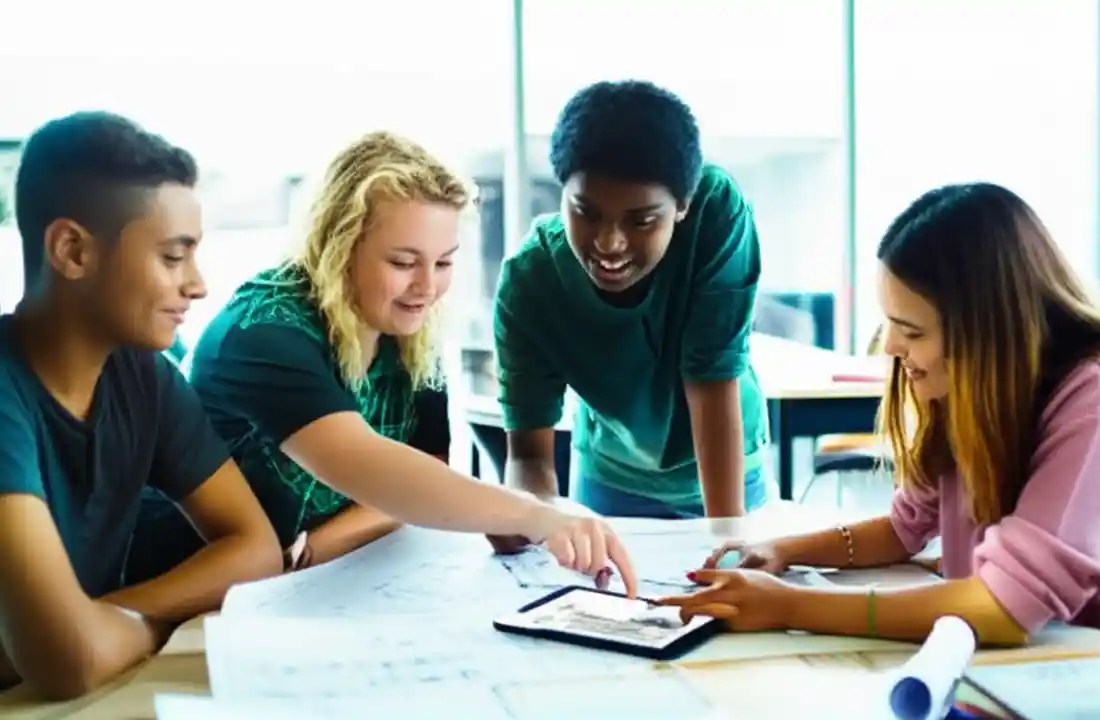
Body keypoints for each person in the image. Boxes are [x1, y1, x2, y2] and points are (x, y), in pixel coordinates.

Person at [660, 182, 1100, 669]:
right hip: (1080, 653)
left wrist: (791, 607)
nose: (892, 349)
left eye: (913, 330)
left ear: (985, 329)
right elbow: (906, 530)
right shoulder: (975, 389)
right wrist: (785, 552)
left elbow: (1004, 609)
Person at [174, 131, 636, 590]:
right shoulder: (264, 331)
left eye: (444, 263)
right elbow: (369, 466)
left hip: (307, 581)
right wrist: (531, 512)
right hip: (190, 588)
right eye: (402, 263)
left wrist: (308, 550)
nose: (427, 288)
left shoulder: (411, 329)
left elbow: (420, 474)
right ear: (339, 247)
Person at [0, 112, 281, 699]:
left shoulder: (143, 378)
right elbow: (69, 663)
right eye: (173, 258)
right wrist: (104, 632)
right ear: (73, 251)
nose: (198, 285)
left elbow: (256, 549)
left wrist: (105, 620)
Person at [491, 80, 770, 525]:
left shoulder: (716, 212)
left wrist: (726, 543)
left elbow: (712, 373)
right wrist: (525, 521)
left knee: (729, 578)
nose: (609, 243)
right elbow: (529, 456)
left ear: (682, 205)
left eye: (641, 221)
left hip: (727, 469)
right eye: (585, 212)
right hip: (611, 475)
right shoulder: (531, 280)